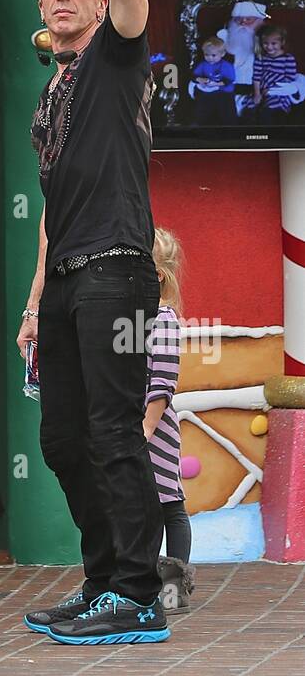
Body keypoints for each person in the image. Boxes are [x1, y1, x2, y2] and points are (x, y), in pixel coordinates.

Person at [19, 0, 169, 646]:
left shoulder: (116, 56)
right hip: (72, 275)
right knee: (64, 438)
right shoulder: (52, 92)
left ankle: (140, 594)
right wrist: (36, 303)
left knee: (113, 432)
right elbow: (51, 212)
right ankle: (105, 580)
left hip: (119, 271)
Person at [144, 227, 195, 615]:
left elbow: (162, 381)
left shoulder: (163, 318)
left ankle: (175, 586)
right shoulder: (133, 319)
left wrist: (146, 428)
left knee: (168, 504)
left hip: (153, 428)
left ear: (157, 274)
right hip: (133, 422)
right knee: (143, 504)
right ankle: (141, 582)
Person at [247, 24, 300, 121]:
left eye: (274, 43)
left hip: (278, 92)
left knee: (271, 110)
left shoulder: (288, 58)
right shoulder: (261, 58)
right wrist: (257, 93)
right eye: (265, 43)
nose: (269, 47)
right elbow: (256, 77)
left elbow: (289, 79)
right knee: (249, 108)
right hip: (261, 91)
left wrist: (272, 90)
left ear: (282, 42)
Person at [191, 35, 236, 125]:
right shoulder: (203, 64)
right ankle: (200, 123)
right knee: (202, 104)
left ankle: (229, 126)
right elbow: (194, 75)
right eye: (206, 55)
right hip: (209, 90)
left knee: (226, 109)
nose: (210, 58)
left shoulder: (226, 65)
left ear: (222, 54)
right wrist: (200, 79)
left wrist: (215, 84)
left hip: (224, 91)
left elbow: (228, 81)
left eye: (213, 55)